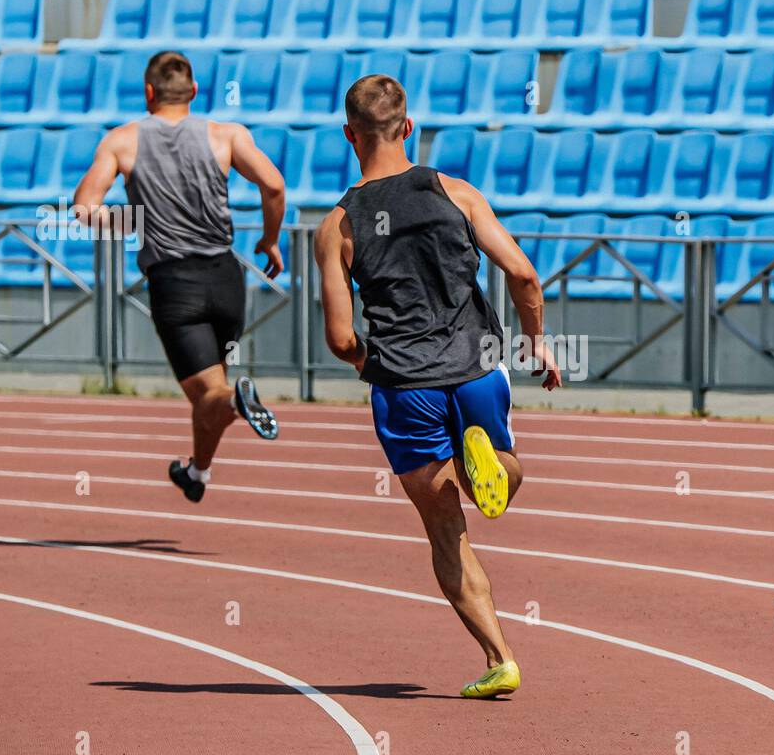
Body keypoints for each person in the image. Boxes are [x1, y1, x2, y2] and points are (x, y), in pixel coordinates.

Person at [316, 74, 563, 699]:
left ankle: (499, 656)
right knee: (501, 475)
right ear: (407, 127)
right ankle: (494, 470)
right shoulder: (455, 192)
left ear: (349, 135)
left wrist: (374, 364)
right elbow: (524, 275)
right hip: (478, 367)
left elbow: (341, 340)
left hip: (405, 385)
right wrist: (537, 343)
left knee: (446, 529)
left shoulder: (338, 228)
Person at [73, 51, 285, 503]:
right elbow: (273, 185)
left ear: (149, 93)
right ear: (193, 92)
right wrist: (269, 240)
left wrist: (127, 222)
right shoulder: (226, 134)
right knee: (210, 386)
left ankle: (236, 402)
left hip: (174, 284)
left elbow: (84, 207)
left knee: (213, 394)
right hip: (227, 278)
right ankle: (198, 474)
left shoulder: (121, 141)